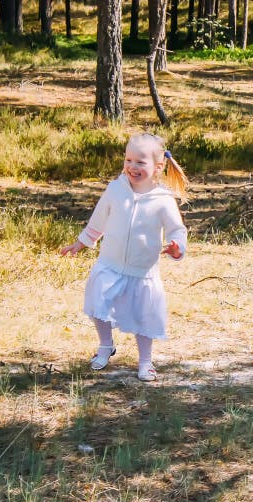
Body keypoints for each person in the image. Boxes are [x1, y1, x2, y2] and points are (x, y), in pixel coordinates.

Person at [60, 133, 189, 381]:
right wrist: (82, 242)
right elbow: (98, 220)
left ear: (158, 166)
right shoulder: (115, 189)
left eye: (140, 162)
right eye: (128, 159)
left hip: (142, 272)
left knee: (143, 318)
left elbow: (177, 230)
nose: (132, 166)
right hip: (109, 264)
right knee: (98, 303)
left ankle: (145, 361)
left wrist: (177, 248)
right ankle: (106, 345)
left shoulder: (162, 200)